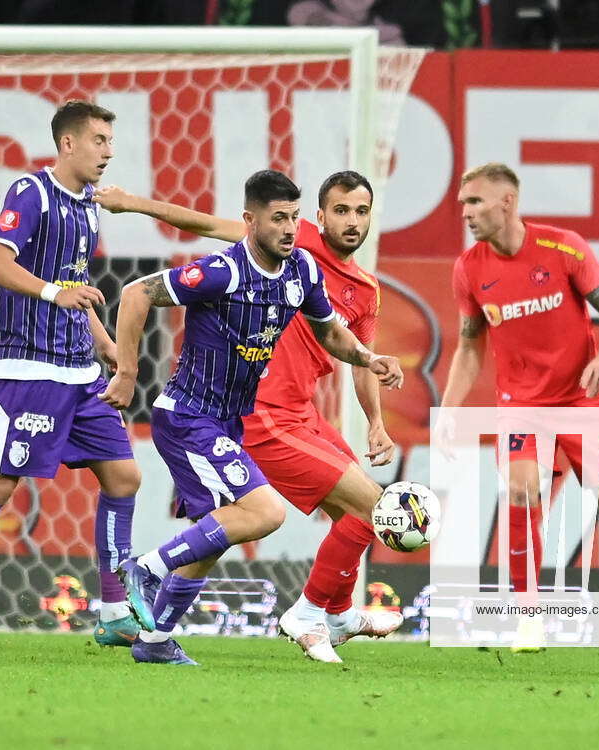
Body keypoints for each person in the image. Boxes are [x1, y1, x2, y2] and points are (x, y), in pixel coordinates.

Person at [94, 170, 405, 663]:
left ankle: (154, 641)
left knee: (214, 535)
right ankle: (146, 568)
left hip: (232, 420)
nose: (288, 228)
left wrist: (369, 360)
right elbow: (136, 293)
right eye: (279, 219)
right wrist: (128, 372)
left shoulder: (304, 270)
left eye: (292, 218)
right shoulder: (225, 270)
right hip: (195, 417)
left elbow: (332, 333)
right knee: (267, 513)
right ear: (253, 221)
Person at [438, 162, 599, 657]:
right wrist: (449, 409)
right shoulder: (469, 268)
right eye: (463, 203)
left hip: (583, 403)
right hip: (520, 405)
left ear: (507, 203)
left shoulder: (564, 247)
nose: (466, 212)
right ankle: (529, 620)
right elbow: (469, 345)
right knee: (523, 491)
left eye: (475, 202)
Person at [0, 101, 142, 649]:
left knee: (124, 477)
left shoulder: (88, 208)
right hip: (29, 368)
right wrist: (54, 293)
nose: (109, 151)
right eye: (99, 140)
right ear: (68, 143)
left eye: (110, 140)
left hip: (79, 372)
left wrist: (108, 346)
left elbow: (78, 285)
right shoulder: (31, 193)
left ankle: (115, 611)